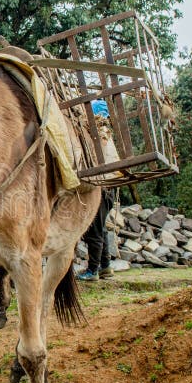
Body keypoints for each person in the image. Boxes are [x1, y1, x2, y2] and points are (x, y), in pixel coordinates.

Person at [79, 98, 115, 281]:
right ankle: (106, 267)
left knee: (93, 229)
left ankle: (93, 270)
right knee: (100, 229)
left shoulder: (99, 136)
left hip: (101, 190)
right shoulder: (107, 137)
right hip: (108, 190)